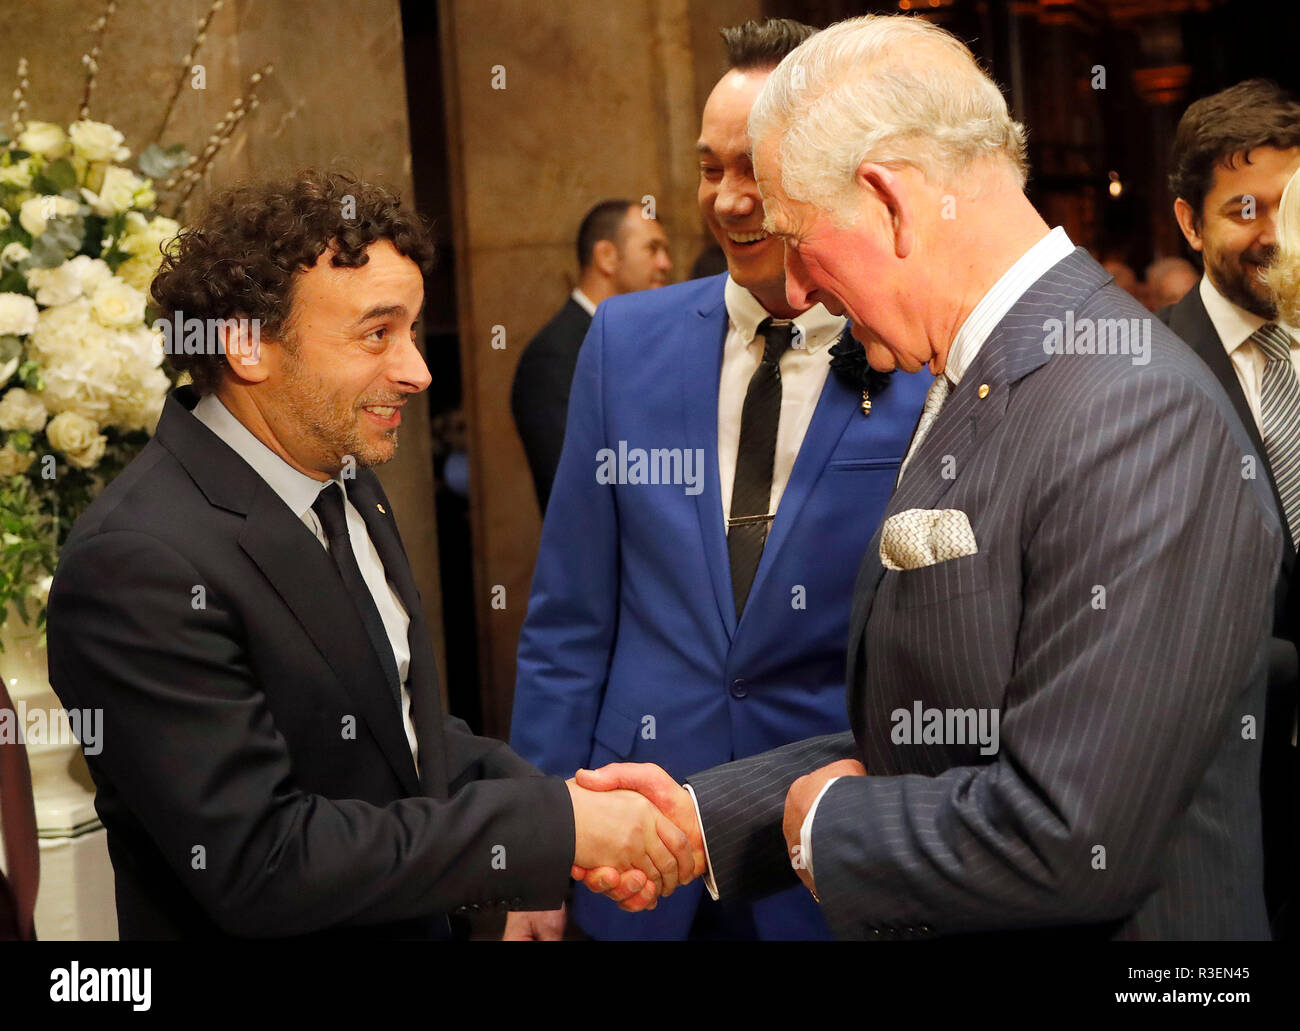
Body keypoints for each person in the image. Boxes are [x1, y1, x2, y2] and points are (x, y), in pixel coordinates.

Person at [576, 14, 1280, 941]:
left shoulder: (1130, 411)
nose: (795, 291)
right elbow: (946, 728)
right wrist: (704, 821)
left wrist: (825, 826)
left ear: (889, 202)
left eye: (801, 238)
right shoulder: (980, 372)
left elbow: (1067, 839)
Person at [44, 171, 697, 940]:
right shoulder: (136, 561)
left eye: (414, 331)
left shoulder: (346, 481)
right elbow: (263, 863)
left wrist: (573, 805)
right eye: (377, 332)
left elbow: (398, 731)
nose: (418, 370)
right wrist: (553, 826)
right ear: (248, 346)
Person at [508, 17, 929, 941]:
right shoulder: (623, 343)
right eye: (709, 169)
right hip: (634, 853)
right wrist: (535, 851)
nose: (730, 201)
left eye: (756, 168)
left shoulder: (919, 362)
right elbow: (568, 624)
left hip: (824, 856)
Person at [1157, 79, 1300, 938]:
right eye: (1246, 208)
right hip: (1216, 809)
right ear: (1188, 223)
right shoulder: (1137, 377)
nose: (1276, 235)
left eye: (1294, 204)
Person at [511, 200, 671, 511]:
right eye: (652, 249)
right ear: (607, 257)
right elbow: (574, 485)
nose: (666, 263)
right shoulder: (554, 357)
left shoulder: (638, 339)